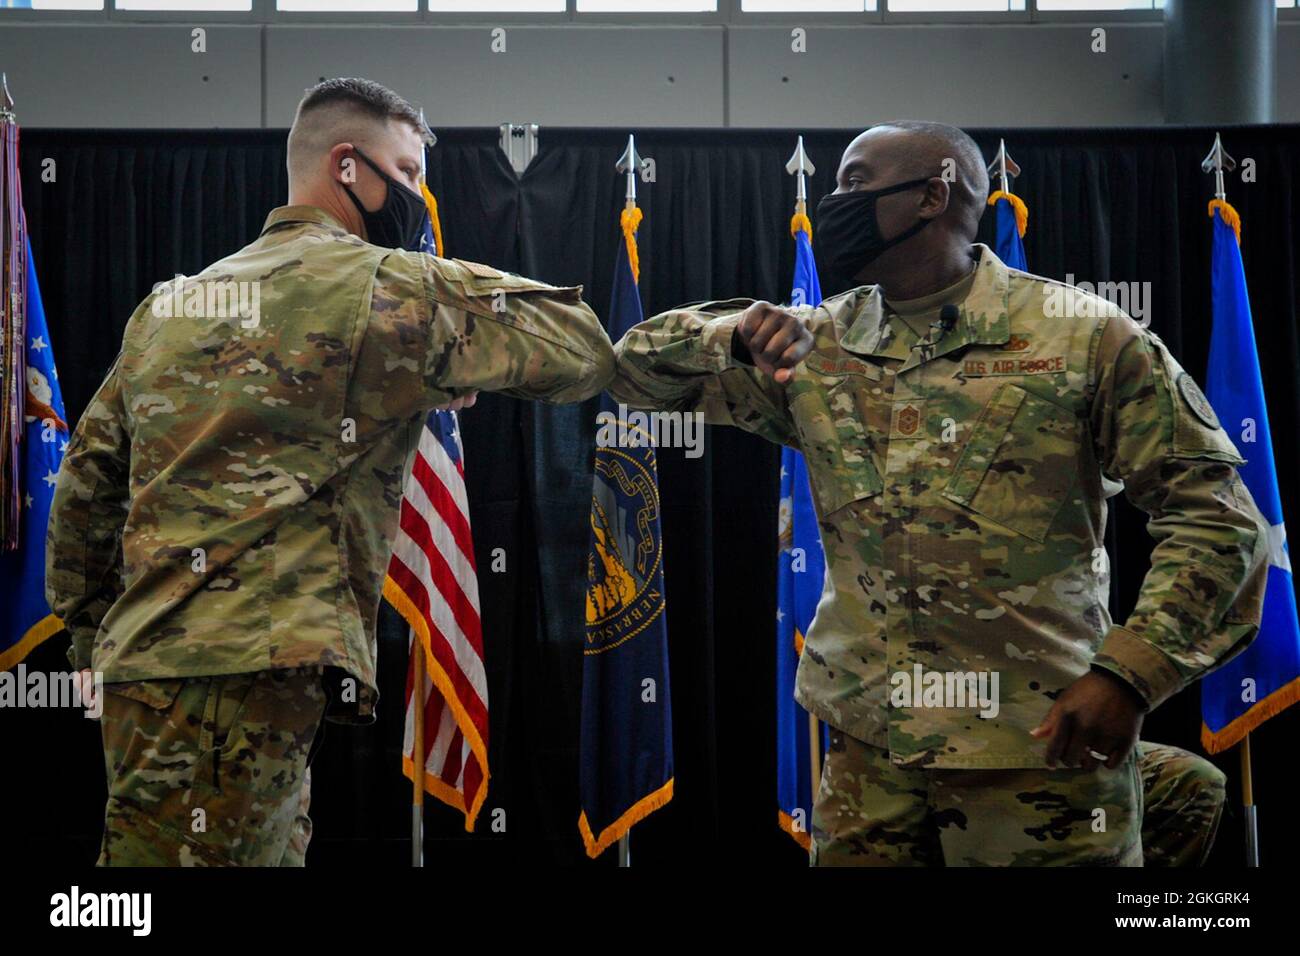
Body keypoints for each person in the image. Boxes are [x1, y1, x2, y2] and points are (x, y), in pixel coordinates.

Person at [609, 121, 1269, 866]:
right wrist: (729, 333)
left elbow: (1218, 519)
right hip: (870, 756)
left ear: (932, 195)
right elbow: (630, 371)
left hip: (1035, 751)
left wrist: (1131, 674)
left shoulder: (1083, 339)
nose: (834, 202)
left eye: (855, 183)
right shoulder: (816, 346)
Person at [47, 77, 614, 866]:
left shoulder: (168, 307)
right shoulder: (387, 286)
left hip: (153, 669)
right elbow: (580, 345)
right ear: (348, 166)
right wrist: (449, 365)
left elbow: (85, 489)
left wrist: (94, 641)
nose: (420, 195)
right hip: (255, 670)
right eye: (409, 173)